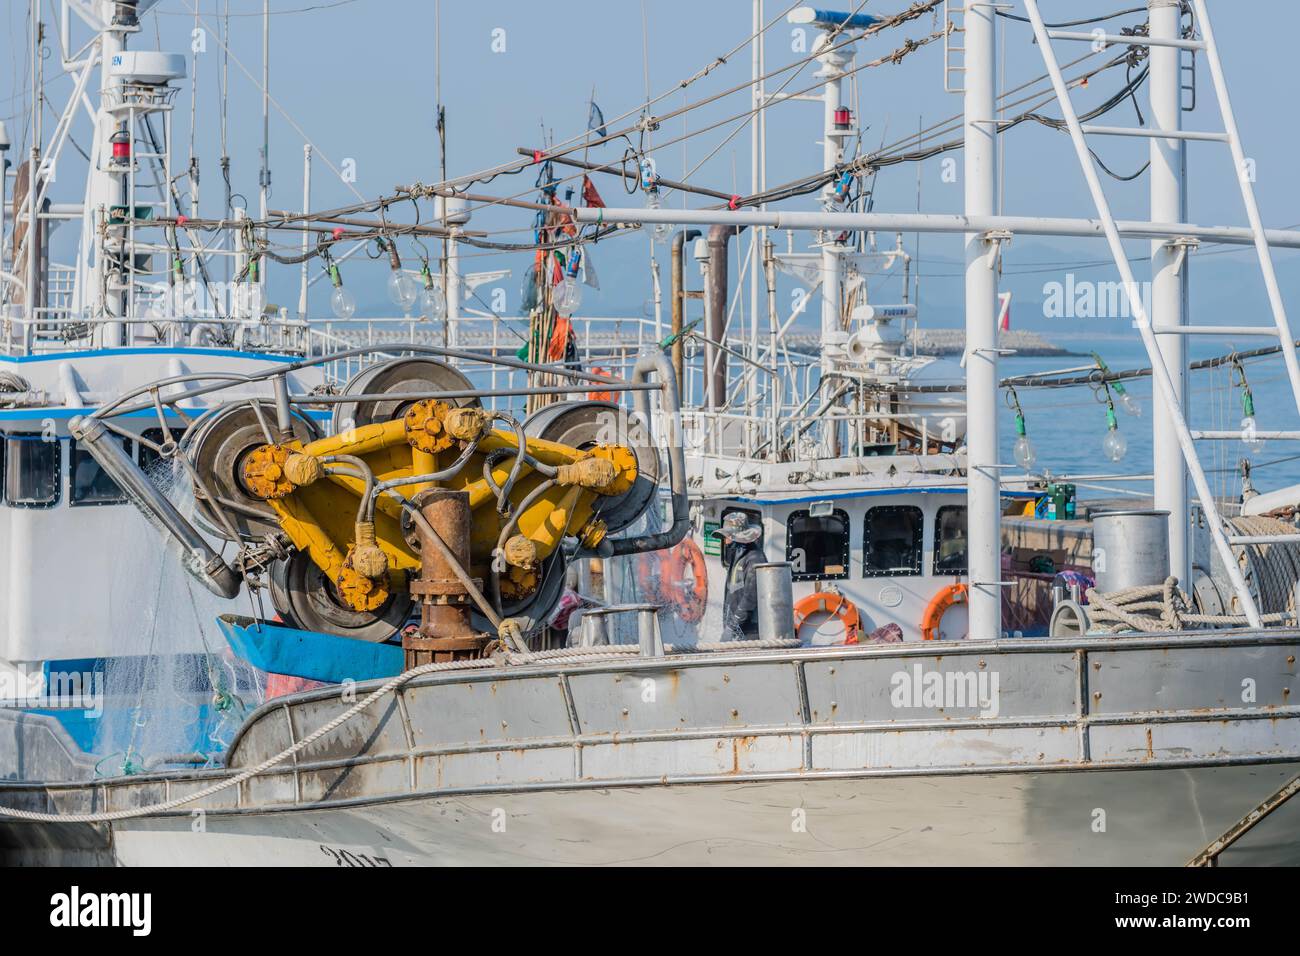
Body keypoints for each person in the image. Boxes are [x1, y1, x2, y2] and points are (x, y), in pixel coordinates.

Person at [712, 512, 766, 640]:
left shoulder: (755, 558)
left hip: (750, 632)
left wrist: (733, 626)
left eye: (728, 537)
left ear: (737, 537)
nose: (725, 541)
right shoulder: (737, 554)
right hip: (738, 629)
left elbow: (751, 597)